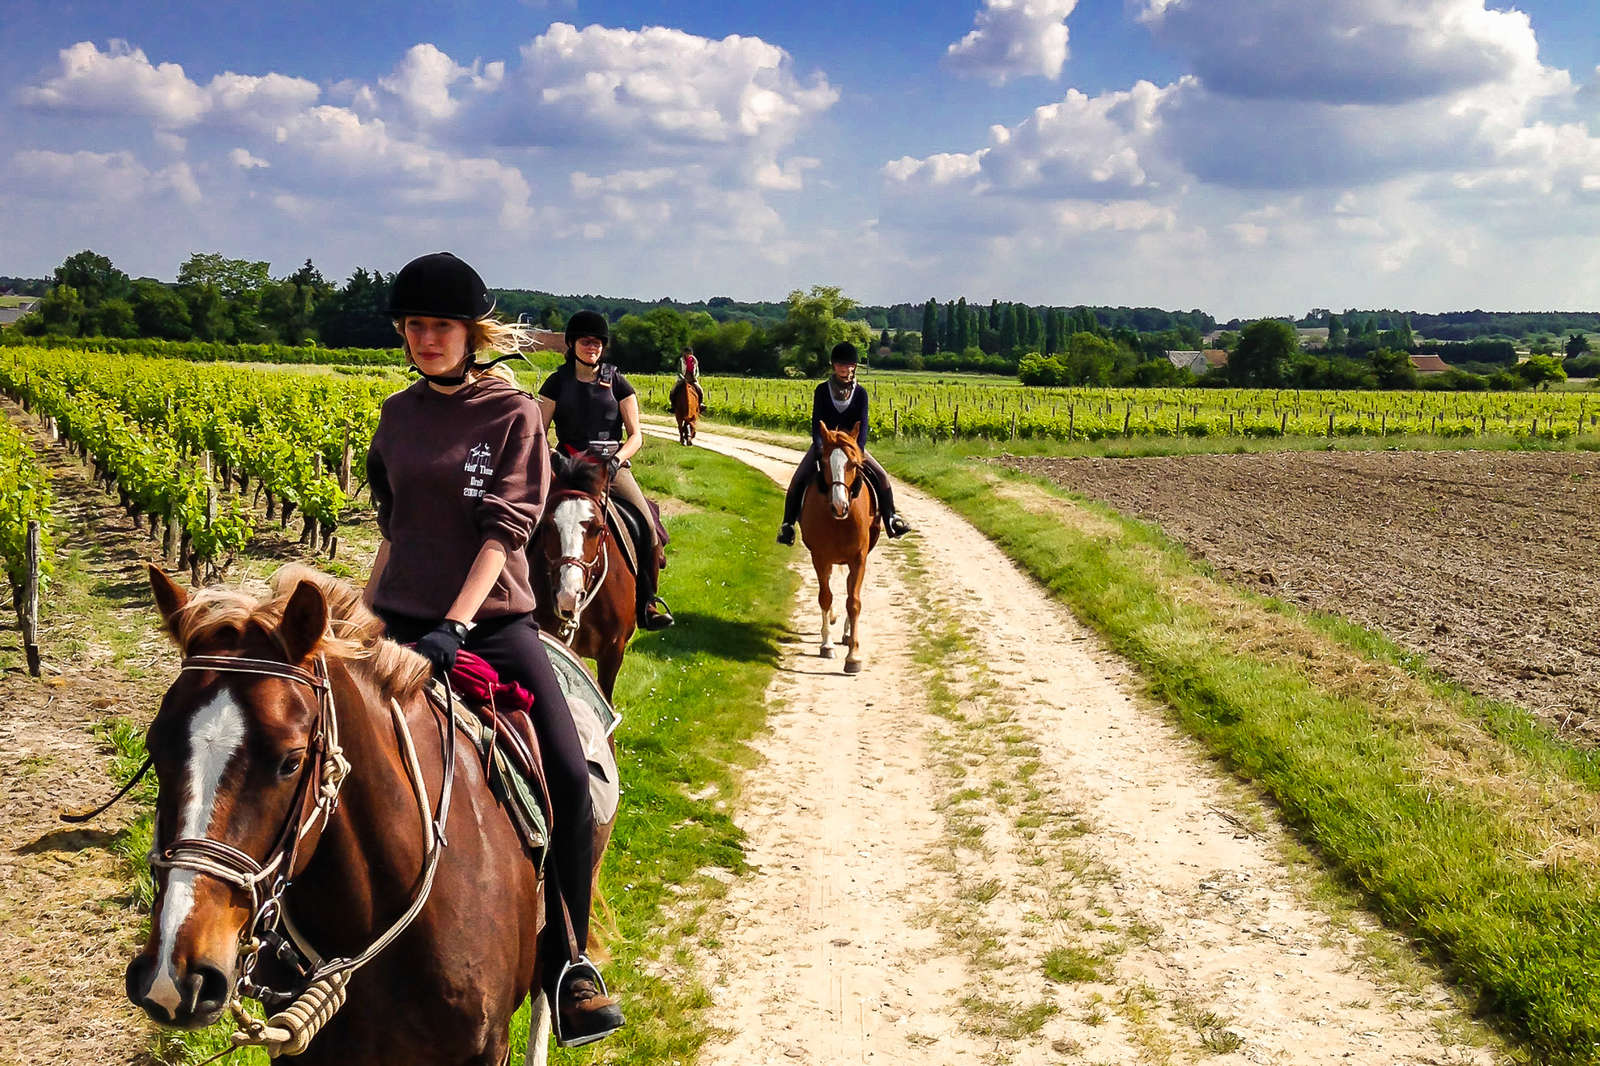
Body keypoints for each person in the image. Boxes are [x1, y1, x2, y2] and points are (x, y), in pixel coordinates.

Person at [363, 252, 624, 1048]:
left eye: (438, 325)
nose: (424, 338)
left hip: (493, 625)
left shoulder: (512, 414)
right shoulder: (397, 415)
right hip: (399, 621)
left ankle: (570, 960)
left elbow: (504, 533)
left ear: (473, 333)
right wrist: (365, 615)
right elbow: (395, 529)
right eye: (412, 325)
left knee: (571, 777)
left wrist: (455, 624)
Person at [536, 311, 674, 630]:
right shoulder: (556, 382)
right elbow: (539, 431)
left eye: (597, 342)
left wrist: (617, 459)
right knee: (532, 521)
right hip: (568, 468)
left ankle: (647, 602)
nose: (592, 347)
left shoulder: (618, 382)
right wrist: (554, 457)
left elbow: (636, 435)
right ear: (572, 344)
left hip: (610, 466)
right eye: (586, 342)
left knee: (646, 526)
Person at [777, 341, 913, 545]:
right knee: (797, 480)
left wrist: (858, 450)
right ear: (833, 366)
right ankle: (788, 526)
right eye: (840, 364)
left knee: (883, 477)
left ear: (854, 366)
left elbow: (864, 426)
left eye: (849, 365)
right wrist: (820, 447)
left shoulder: (861, 393)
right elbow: (816, 424)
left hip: (852, 449)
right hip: (826, 447)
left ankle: (891, 518)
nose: (844, 368)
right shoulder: (822, 390)